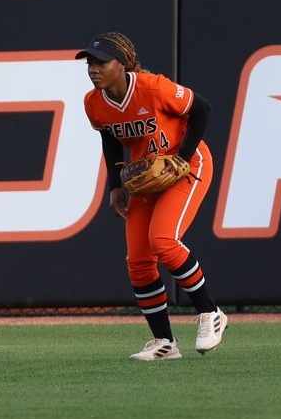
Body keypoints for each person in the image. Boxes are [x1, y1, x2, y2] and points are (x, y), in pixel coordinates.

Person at [76, 32, 229, 361]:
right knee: (139, 262)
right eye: (90, 63)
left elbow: (202, 108)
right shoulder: (93, 103)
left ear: (122, 65)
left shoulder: (153, 87)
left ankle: (210, 312)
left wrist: (183, 156)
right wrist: (115, 187)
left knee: (163, 241)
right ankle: (164, 342)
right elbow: (111, 140)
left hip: (186, 165)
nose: (94, 69)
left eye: (101, 62)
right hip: (147, 176)